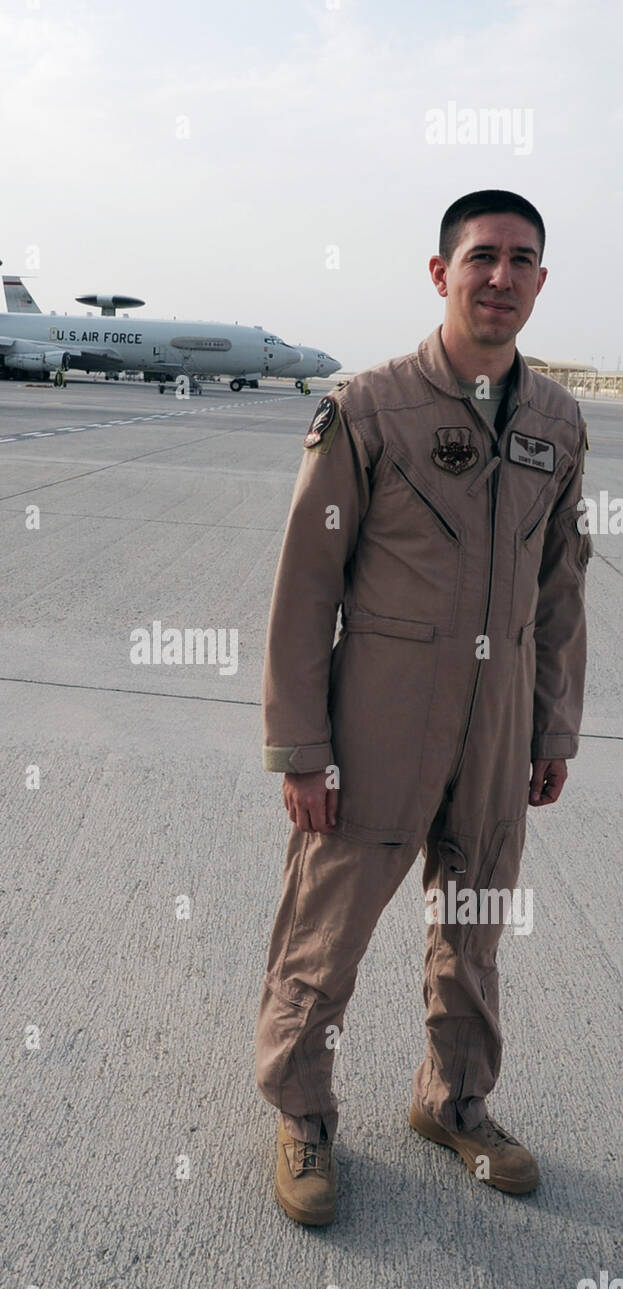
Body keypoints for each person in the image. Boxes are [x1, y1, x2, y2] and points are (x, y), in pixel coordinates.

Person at [256, 190, 592, 1226]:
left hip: (496, 731)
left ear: (541, 281)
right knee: (330, 928)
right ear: (440, 274)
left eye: (521, 260)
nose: (501, 276)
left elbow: (561, 587)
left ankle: (455, 1102)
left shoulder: (557, 420)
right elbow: (308, 582)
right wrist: (302, 747)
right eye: (481, 256)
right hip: (380, 720)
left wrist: (550, 728)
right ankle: (303, 1114)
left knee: (476, 925)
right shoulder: (368, 408)